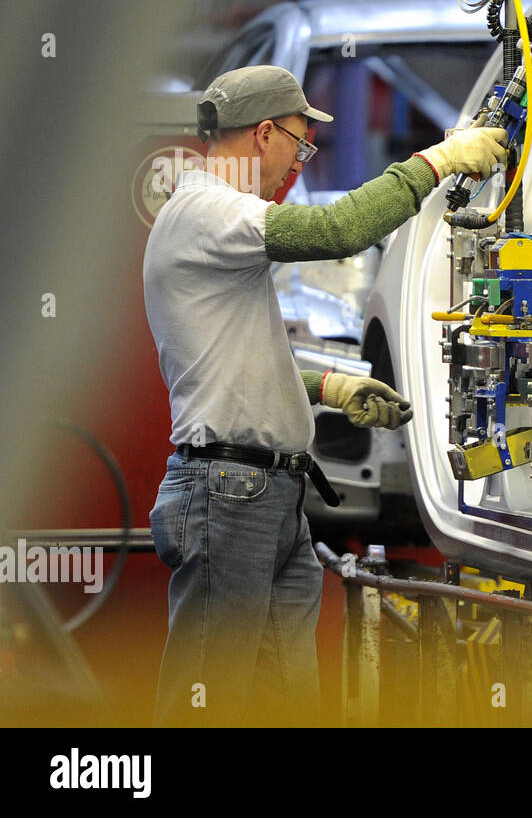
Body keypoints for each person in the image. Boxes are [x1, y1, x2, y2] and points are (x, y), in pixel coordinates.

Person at [142, 65, 506, 725]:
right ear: (262, 135)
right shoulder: (210, 212)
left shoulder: (215, 225)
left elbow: (230, 365)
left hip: (266, 496)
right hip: (230, 494)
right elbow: (336, 231)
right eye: (300, 144)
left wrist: (329, 387)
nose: (298, 162)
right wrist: (435, 162)